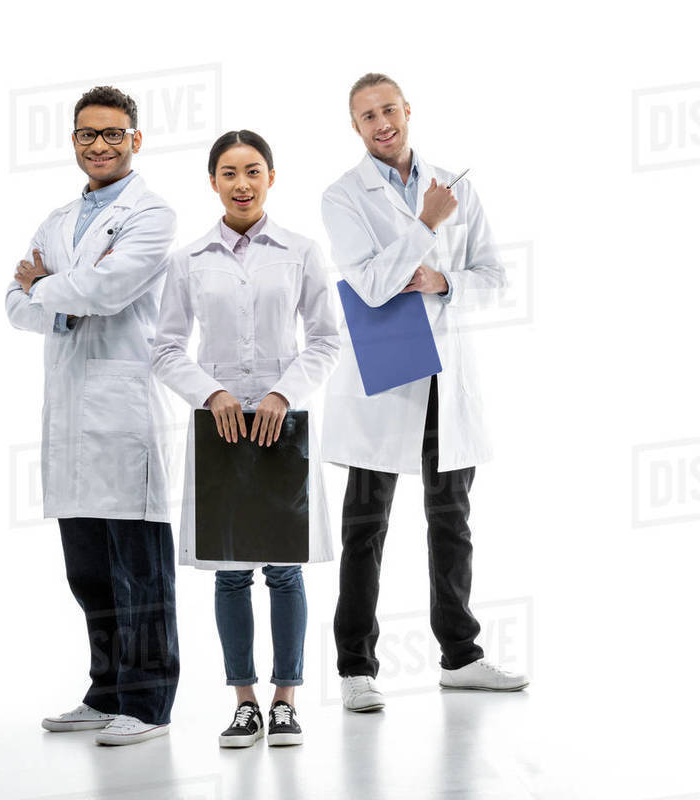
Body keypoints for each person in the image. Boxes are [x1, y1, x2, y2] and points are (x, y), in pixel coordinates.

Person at [321, 73, 528, 712]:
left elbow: (494, 275)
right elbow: (375, 284)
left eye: (389, 110)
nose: (381, 123)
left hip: (446, 375)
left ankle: (460, 656)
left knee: (453, 522)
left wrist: (443, 280)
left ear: (407, 111)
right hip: (384, 378)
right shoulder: (342, 197)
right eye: (366, 116)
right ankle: (356, 667)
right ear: (354, 127)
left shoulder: (455, 185)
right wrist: (425, 223)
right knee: (366, 525)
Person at [152, 131, 340, 747]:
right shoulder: (188, 259)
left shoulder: (301, 252)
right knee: (230, 572)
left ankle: (287, 700)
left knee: (284, 568)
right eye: (229, 172)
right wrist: (212, 393)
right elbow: (167, 347)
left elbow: (325, 340)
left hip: (280, 426)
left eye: (252, 171)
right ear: (212, 182)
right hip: (223, 426)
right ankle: (244, 702)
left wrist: (285, 392)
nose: (241, 183)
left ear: (271, 177)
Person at [5, 86, 179, 746]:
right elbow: (11, 304)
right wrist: (56, 297)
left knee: (141, 569)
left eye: (112, 134)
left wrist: (42, 289)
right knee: (88, 571)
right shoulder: (56, 219)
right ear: (73, 141)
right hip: (70, 418)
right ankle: (106, 690)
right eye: (87, 134)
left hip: (124, 408)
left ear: (135, 139)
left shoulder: (152, 213)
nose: (99, 145)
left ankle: (150, 702)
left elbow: (109, 288)